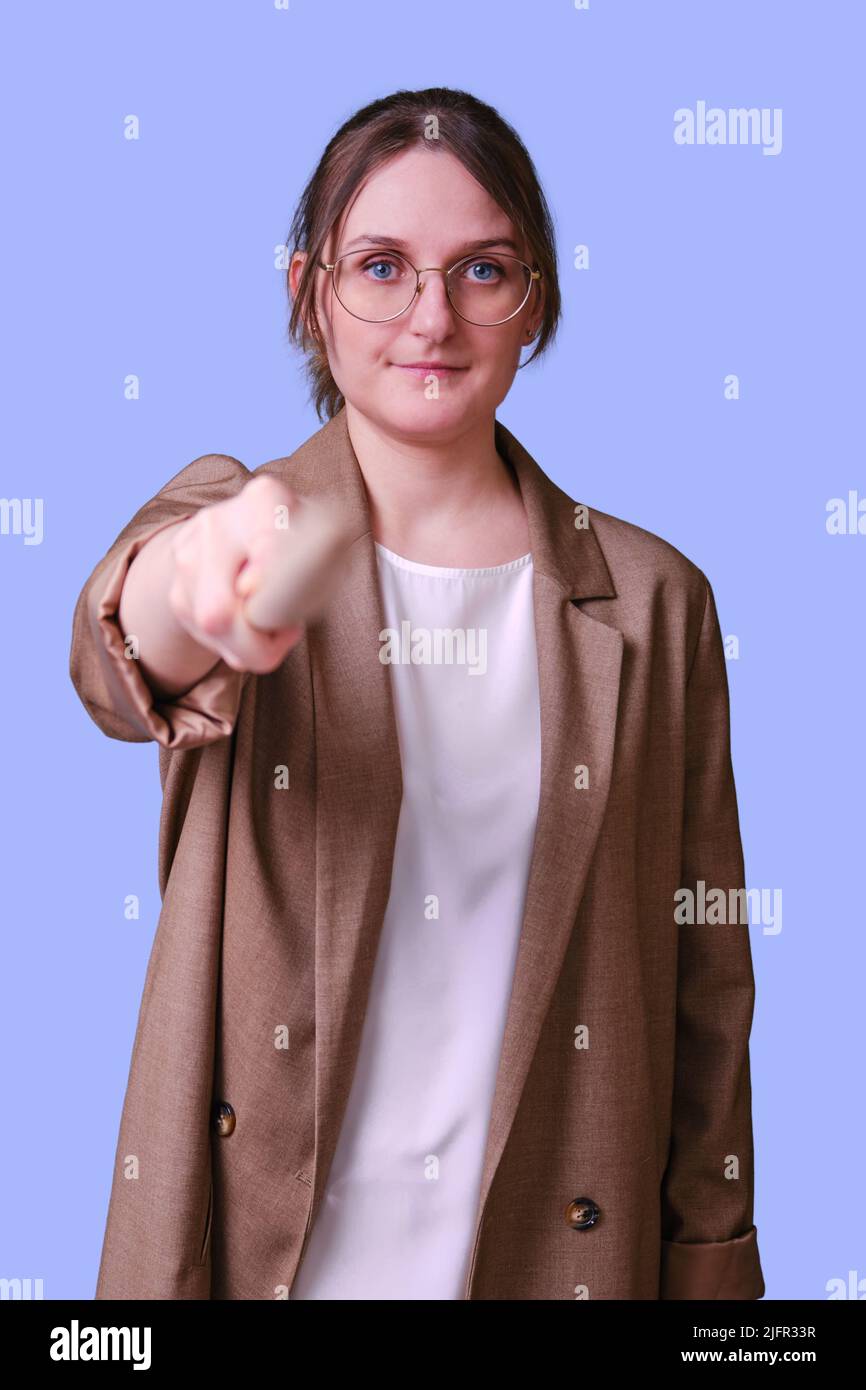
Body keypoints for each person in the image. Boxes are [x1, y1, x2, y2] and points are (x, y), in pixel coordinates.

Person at [70, 86, 765, 1301]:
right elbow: (126, 641)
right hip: (254, 1262)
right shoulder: (239, 518)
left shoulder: (657, 602)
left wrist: (713, 1285)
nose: (430, 318)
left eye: (480, 270)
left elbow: (704, 975)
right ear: (306, 290)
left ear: (533, 296)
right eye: (380, 267)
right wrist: (206, 579)